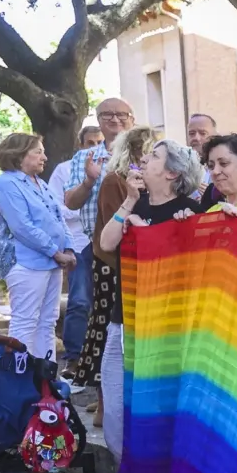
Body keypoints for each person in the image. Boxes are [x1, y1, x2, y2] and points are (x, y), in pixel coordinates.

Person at [94, 139, 202, 473]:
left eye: (153, 155)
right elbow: (107, 244)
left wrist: (178, 230)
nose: (143, 158)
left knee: (164, 408)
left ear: (171, 172)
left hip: (170, 328)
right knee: (115, 408)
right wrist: (127, 203)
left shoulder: (188, 210)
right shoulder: (134, 204)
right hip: (124, 321)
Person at [73, 126, 158, 390]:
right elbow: (113, 227)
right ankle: (100, 394)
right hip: (110, 262)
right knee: (106, 323)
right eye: (150, 151)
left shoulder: (146, 181)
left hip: (132, 261)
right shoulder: (114, 180)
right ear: (135, 150)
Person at [52, 96, 133, 373]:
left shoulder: (144, 152)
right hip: (93, 244)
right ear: (98, 120)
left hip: (136, 240)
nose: (115, 119)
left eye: (122, 114)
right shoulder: (84, 157)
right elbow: (70, 202)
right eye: (108, 114)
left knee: (126, 309)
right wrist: (88, 180)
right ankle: (87, 370)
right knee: (93, 306)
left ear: (132, 118)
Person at [0, 134, 77, 361]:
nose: (44, 157)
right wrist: (55, 252)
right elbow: (22, 227)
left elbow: (58, 218)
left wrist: (68, 248)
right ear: (18, 155)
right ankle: (20, 381)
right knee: (25, 321)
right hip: (25, 262)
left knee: (48, 322)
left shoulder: (40, 183)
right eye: (37, 152)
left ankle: (45, 382)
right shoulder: (6, 184)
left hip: (51, 261)